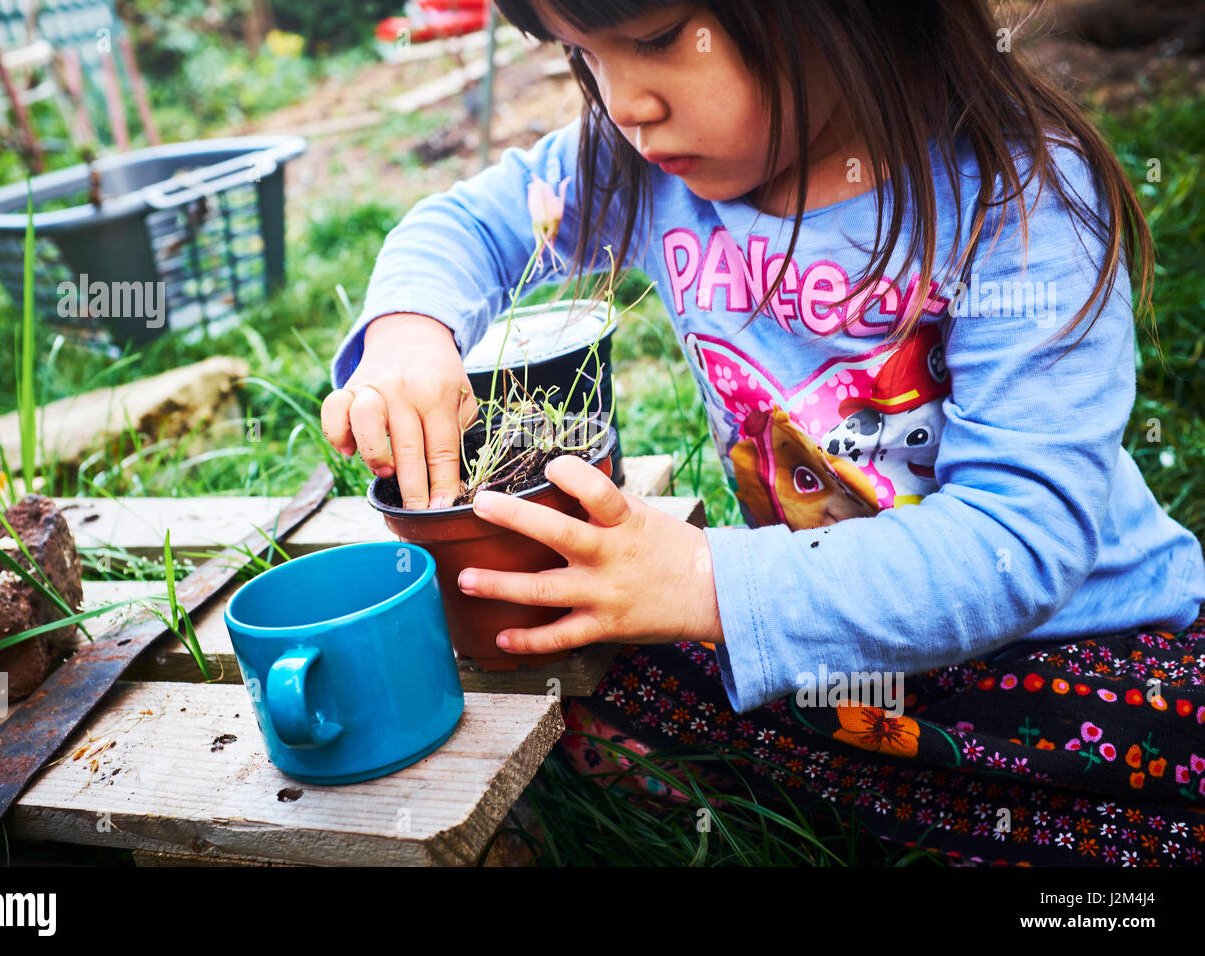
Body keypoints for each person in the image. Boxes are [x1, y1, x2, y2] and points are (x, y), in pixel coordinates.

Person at [320, 0, 1205, 865]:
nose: (625, 104)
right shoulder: (643, 168)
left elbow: (1020, 542)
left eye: (662, 39)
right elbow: (475, 221)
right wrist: (410, 328)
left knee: (1155, 760)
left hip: (1073, 641)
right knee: (571, 666)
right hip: (823, 623)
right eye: (582, 57)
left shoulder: (1013, 196)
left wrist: (704, 580)